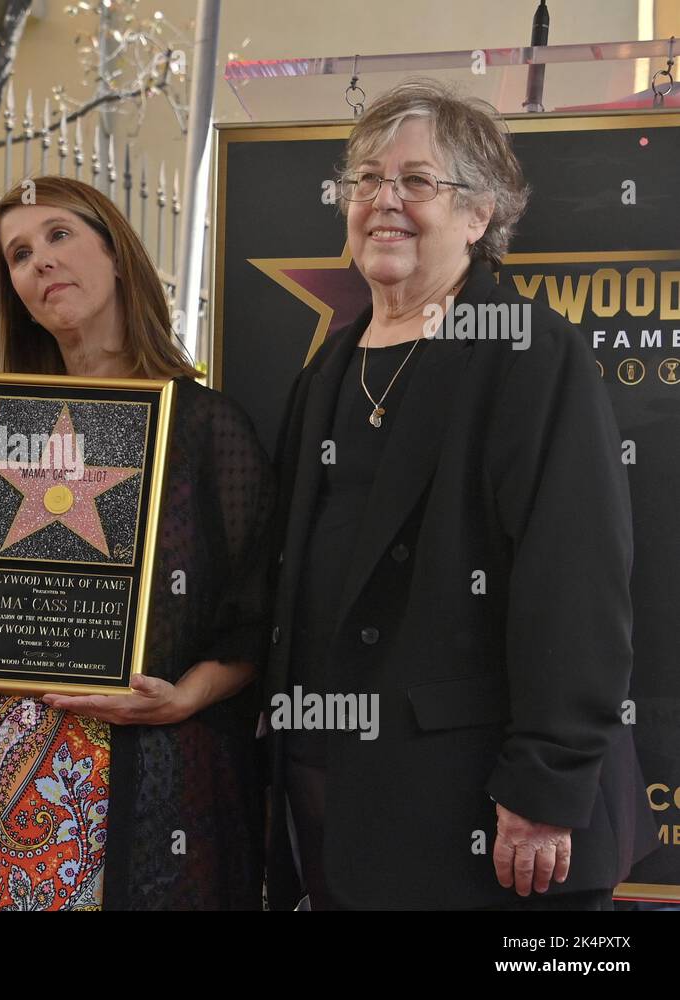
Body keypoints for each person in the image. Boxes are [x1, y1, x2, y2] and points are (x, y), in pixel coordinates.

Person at [264, 79, 657, 910]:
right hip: (337, 808)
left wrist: (545, 786)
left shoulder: (526, 353)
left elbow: (576, 585)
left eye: (416, 181)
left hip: (479, 818)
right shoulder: (326, 370)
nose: (384, 201)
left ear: (480, 217)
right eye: (366, 180)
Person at [0, 175, 276, 910]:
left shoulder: (205, 427)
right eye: (18, 253)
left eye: (59, 235)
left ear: (118, 253)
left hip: (140, 784)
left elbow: (256, 612)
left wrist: (179, 700)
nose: (39, 261)